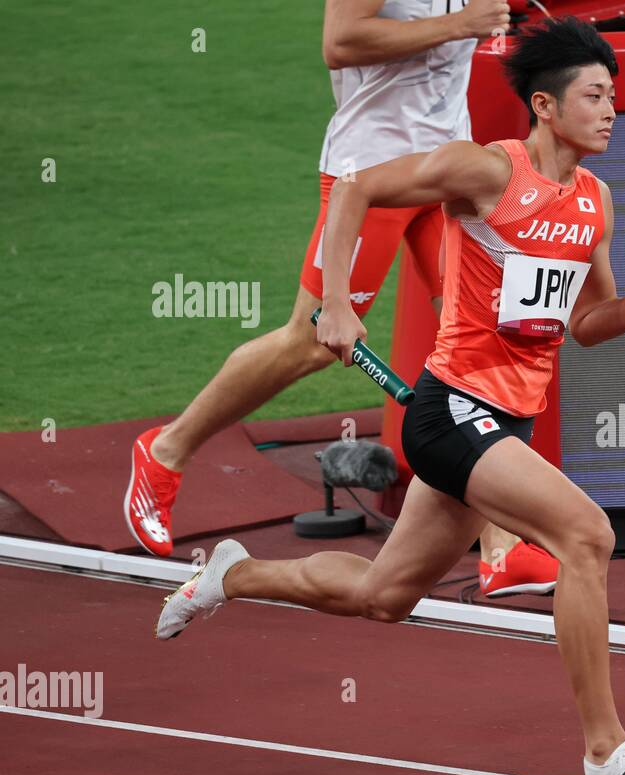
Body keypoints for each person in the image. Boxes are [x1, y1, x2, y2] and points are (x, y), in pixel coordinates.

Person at [153, 17, 625, 775]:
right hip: (450, 413)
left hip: (503, 422)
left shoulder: (596, 203)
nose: (611, 111)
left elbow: (584, 325)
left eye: (613, 97)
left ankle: (231, 578)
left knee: (382, 597)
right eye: (595, 96)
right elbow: (357, 186)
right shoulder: (484, 172)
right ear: (545, 107)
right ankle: (606, 749)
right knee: (588, 535)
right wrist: (336, 304)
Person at [124, 0, 558, 597]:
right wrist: (463, 24)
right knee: (310, 343)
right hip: (370, 173)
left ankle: (501, 549)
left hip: (444, 168)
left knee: (486, 338)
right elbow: (342, 40)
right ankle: (166, 449)